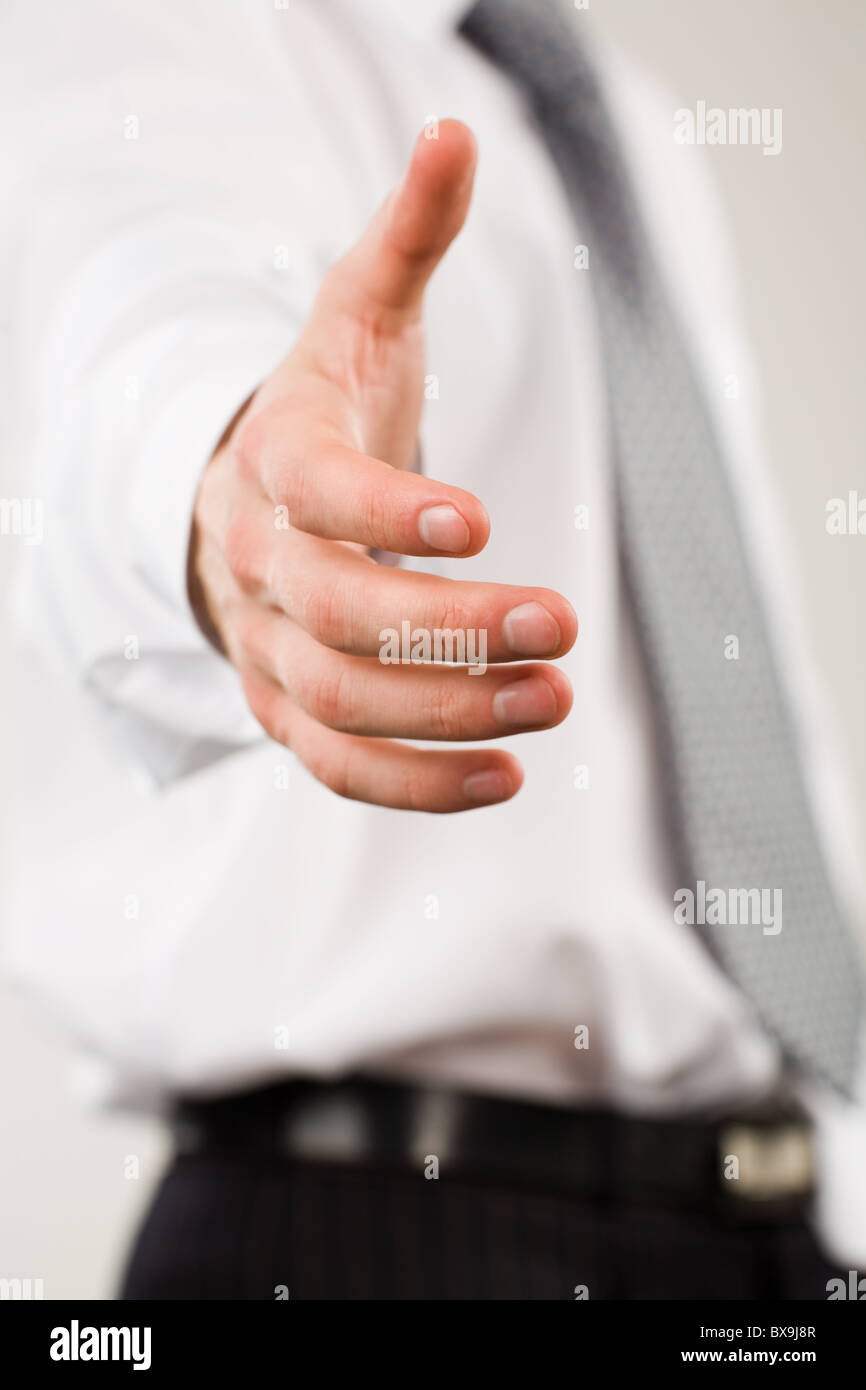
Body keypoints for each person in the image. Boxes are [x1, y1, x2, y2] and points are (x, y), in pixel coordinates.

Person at [3, 0, 866, 1300]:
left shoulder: (616, 118)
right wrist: (232, 490)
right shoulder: (155, 28)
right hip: (373, 1235)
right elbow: (141, 311)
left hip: (770, 1230)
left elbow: (737, 690)